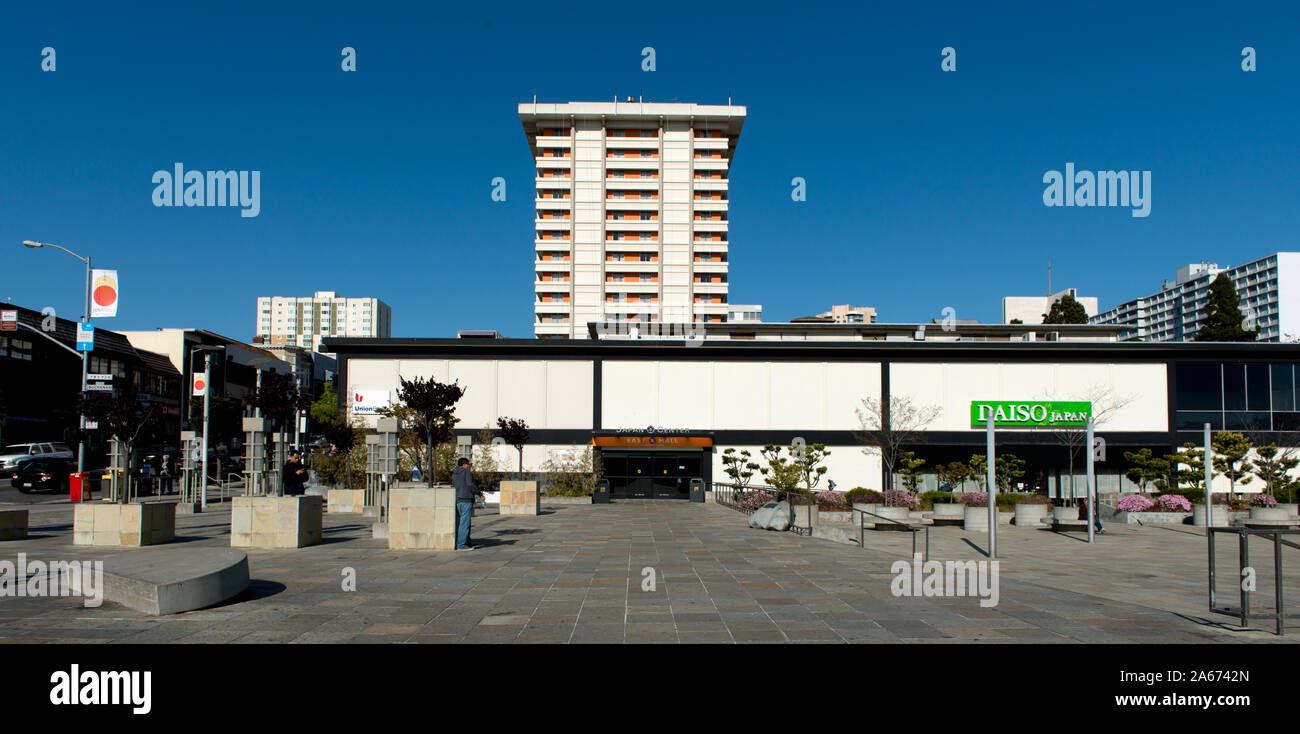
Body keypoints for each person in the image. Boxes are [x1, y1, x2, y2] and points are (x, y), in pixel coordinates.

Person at [452, 457, 482, 550]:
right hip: (466, 499)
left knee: (464, 522)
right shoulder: (467, 472)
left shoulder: (455, 474)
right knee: (465, 523)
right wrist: (479, 493)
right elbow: (470, 484)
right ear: (464, 465)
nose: (470, 466)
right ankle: (462, 544)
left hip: (458, 500)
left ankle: (467, 542)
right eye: (469, 464)